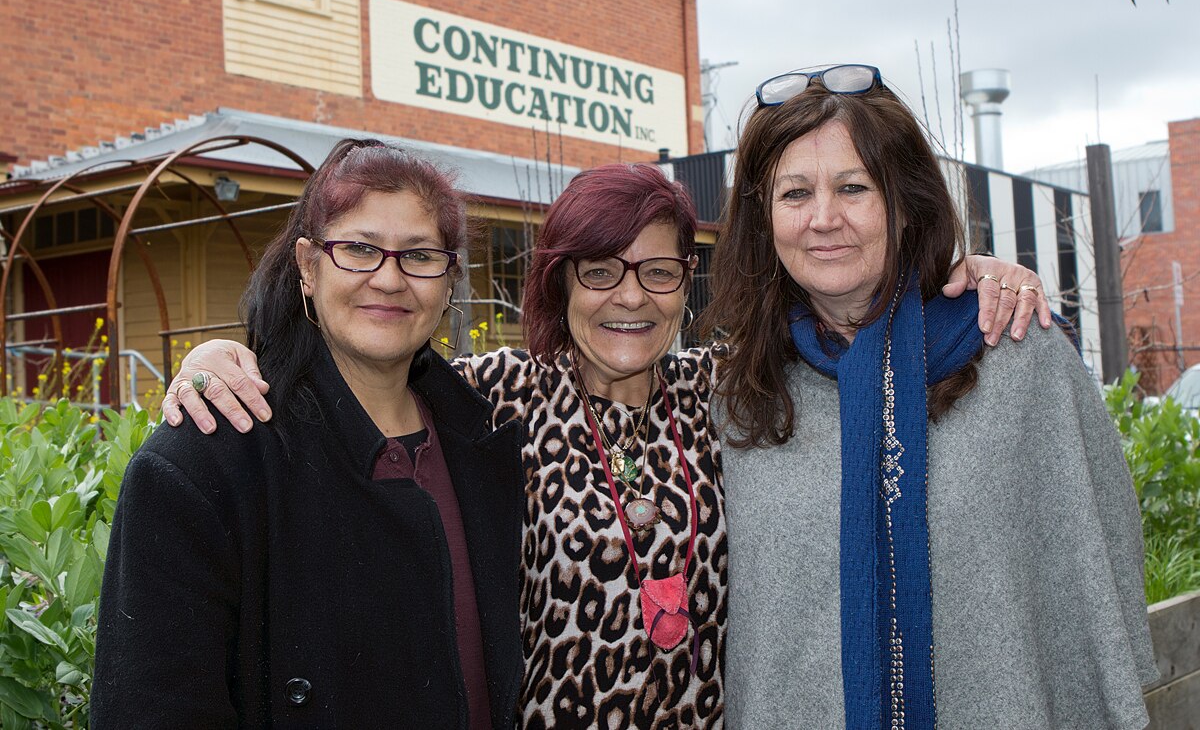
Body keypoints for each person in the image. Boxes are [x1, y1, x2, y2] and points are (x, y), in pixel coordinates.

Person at [161, 164, 1048, 727]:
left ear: (685, 284)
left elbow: (848, 327)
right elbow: (364, 366)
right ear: (561, 283)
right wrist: (218, 356)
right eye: (600, 271)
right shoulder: (487, 400)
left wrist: (971, 275)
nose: (631, 298)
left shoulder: (728, 393)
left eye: (658, 271)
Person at [705, 64, 1158, 728]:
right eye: (795, 193)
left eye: (854, 187)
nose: (823, 219)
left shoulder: (1017, 351)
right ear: (763, 219)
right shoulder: (740, 394)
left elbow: (1101, 565)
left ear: (905, 202)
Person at [92, 139, 524, 728]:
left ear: (448, 281)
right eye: (359, 249)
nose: (389, 279)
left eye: (420, 255)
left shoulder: (482, 440)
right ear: (307, 266)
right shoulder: (208, 462)